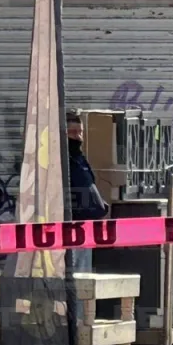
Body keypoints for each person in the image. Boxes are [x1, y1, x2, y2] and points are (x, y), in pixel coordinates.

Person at [66, 111, 109, 276]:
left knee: (84, 277)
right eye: (72, 133)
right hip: (71, 229)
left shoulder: (79, 159)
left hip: (86, 229)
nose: (78, 137)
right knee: (73, 275)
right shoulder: (61, 161)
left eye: (80, 132)